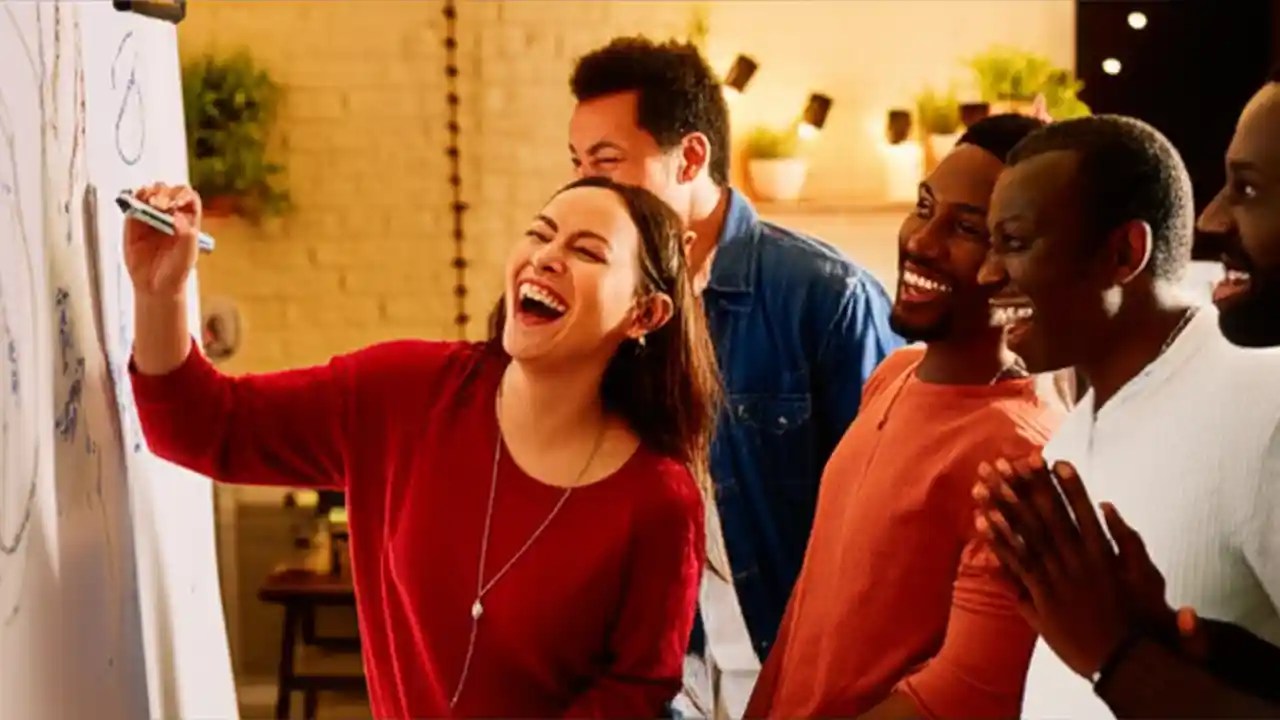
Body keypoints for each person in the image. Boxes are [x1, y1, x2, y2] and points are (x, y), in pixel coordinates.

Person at [125, 176, 719, 717]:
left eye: (587, 251)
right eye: (541, 233)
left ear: (645, 313)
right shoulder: (405, 395)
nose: (546, 256)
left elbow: (638, 690)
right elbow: (203, 427)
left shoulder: (660, 500)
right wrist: (160, 294)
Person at [568, 36, 903, 714]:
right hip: (672, 674)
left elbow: (884, 526)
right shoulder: (615, 302)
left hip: (797, 667)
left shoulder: (825, 295)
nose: (585, 188)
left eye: (606, 163)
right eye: (577, 164)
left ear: (691, 156)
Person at [973, 71, 1280, 717]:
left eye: (1016, 243)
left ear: (1123, 253)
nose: (988, 272)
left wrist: (1118, 655)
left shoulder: (1264, 405)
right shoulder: (1070, 435)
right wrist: (1161, 636)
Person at [743, 114, 1062, 719]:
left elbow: (964, 694)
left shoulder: (1021, 453)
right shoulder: (894, 374)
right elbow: (811, 606)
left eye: (966, 227)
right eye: (924, 206)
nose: (921, 240)